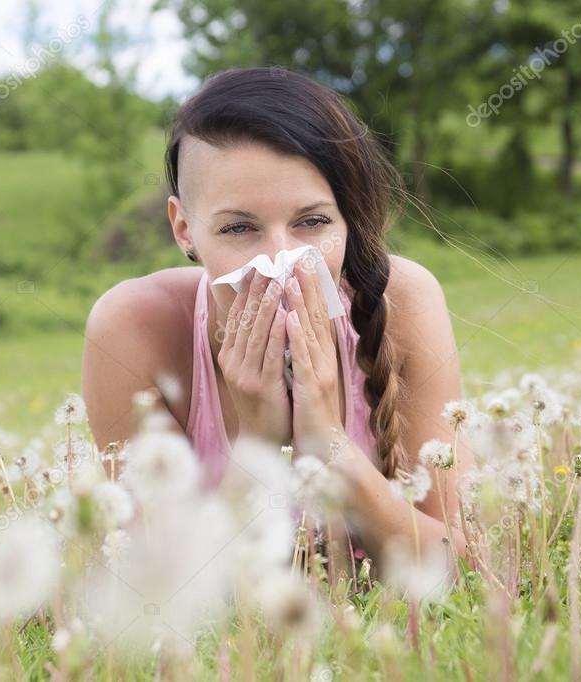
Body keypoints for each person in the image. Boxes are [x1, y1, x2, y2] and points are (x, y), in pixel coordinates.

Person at [82, 65, 474, 573]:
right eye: (239, 228)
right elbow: (161, 587)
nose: (280, 260)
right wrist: (257, 442)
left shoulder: (403, 299)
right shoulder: (134, 326)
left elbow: (467, 566)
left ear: (349, 220)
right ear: (184, 230)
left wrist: (332, 446)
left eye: (311, 222)